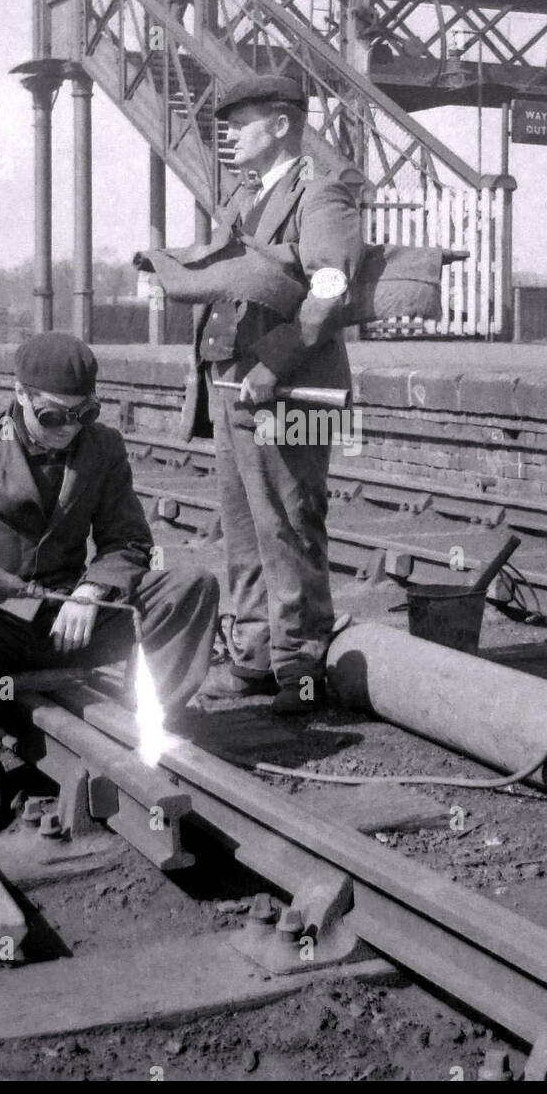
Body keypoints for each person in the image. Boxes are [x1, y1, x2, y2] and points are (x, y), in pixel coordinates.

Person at [0, 332, 219, 828]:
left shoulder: (103, 448)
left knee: (192, 586)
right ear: (20, 395)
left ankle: (148, 724)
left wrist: (92, 592)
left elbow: (129, 541)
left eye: (82, 414)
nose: (68, 429)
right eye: (53, 416)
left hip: (65, 622)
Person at [185, 74, 367, 714]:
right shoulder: (241, 200)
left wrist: (275, 362)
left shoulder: (323, 195)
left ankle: (302, 666)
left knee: (290, 523)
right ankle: (256, 654)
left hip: (288, 390)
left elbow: (328, 289)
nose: (227, 135)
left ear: (282, 125)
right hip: (229, 385)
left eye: (240, 123)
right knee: (243, 527)